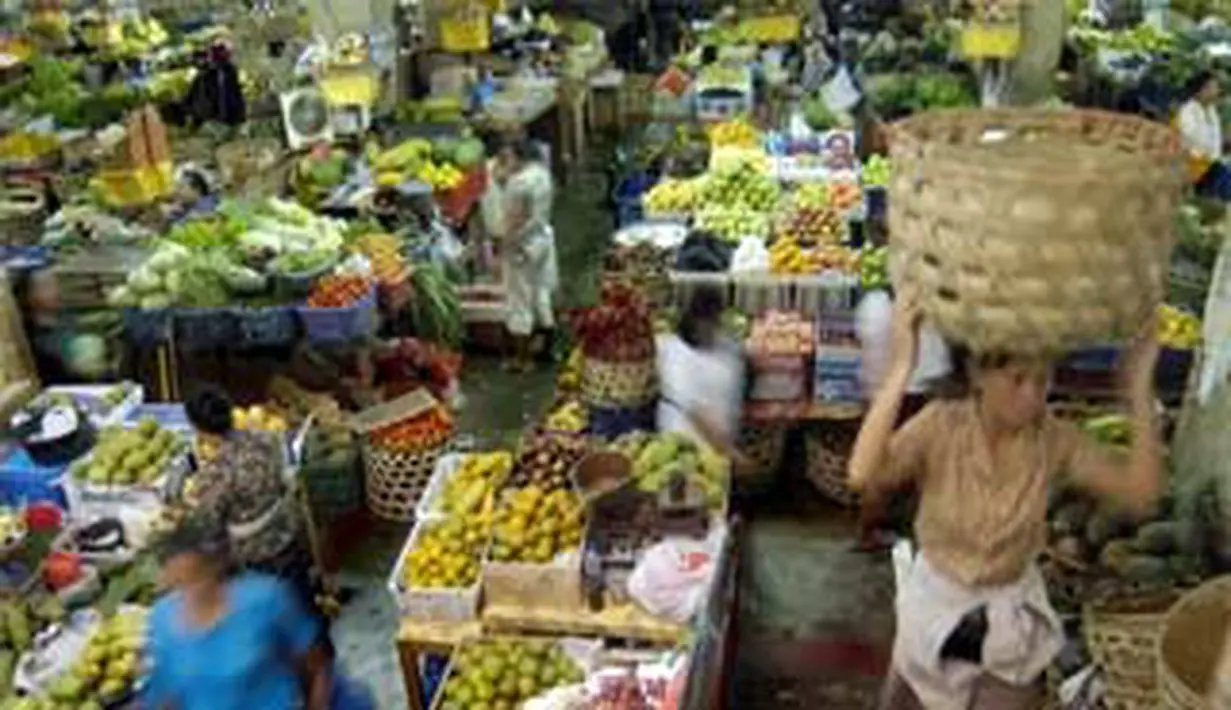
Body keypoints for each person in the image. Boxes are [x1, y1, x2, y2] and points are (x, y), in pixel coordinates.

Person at [848, 293, 1163, 709]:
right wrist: (901, 366)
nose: (1033, 396)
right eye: (1017, 380)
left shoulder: (1054, 440)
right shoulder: (942, 426)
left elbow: (1141, 493)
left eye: (1043, 380)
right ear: (978, 374)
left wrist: (1139, 391)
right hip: (935, 614)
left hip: (1006, 626)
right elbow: (862, 474)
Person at [144, 517, 332, 710]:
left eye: (196, 577)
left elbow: (317, 666)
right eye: (179, 583)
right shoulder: (162, 620)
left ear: (215, 567)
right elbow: (165, 696)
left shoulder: (264, 599)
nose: (190, 592)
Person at [185, 385, 318, 618]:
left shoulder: (216, 474)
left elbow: (209, 528)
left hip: (256, 554)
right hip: (288, 531)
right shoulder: (266, 438)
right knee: (302, 595)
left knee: (276, 612)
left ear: (199, 429)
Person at [853, 288, 951, 549]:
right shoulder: (906, 307)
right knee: (890, 468)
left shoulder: (874, 302)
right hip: (909, 392)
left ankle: (872, 526)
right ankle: (872, 528)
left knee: (884, 466)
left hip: (886, 393)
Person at [657, 286, 748, 467]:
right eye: (709, 321)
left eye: (716, 320)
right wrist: (731, 453)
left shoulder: (724, 344)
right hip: (687, 453)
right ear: (695, 322)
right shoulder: (677, 354)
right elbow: (696, 413)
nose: (713, 326)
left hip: (719, 451)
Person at [499, 139, 558, 372]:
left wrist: (505, 244)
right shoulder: (542, 175)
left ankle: (522, 360)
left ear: (519, 158)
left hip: (522, 247)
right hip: (543, 240)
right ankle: (548, 349)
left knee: (519, 301)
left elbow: (514, 221)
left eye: (508, 158)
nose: (506, 163)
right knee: (541, 292)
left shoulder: (518, 183)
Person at [1177, 71, 1231, 200]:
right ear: (1201, 91)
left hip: (1211, 166)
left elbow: (1215, 146)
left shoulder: (1211, 111)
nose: (1218, 91)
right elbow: (1196, 144)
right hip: (1197, 168)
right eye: (1214, 87)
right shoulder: (1188, 112)